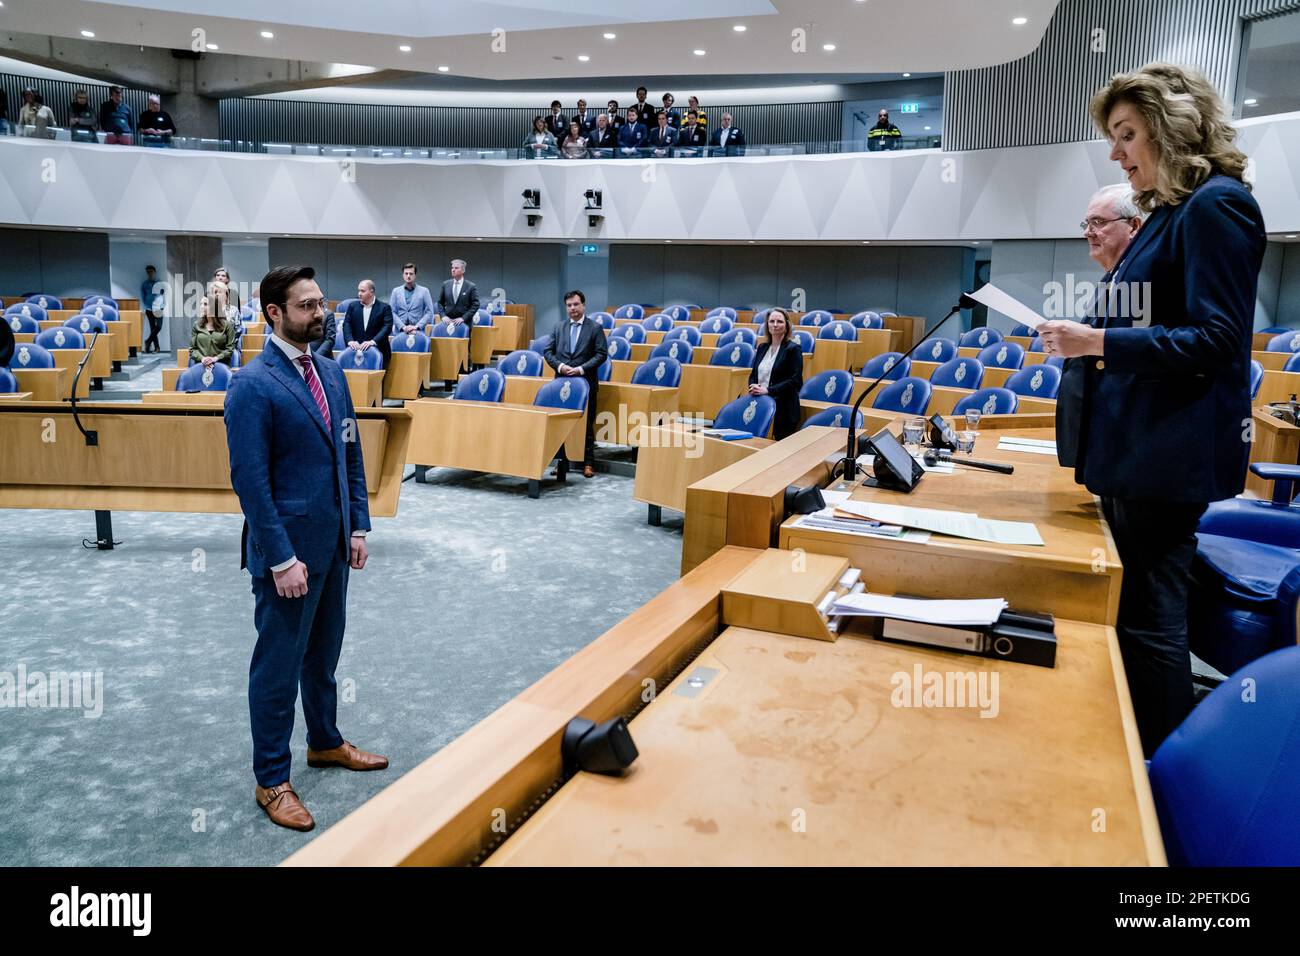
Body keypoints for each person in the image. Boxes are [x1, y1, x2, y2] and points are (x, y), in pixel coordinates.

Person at [1038, 62, 1267, 757]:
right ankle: (1137, 750)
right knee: (1137, 611)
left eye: (1127, 134)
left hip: (1167, 456)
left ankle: (1157, 767)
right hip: (1137, 451)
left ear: (1172, 128)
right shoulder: (1170, 212)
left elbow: (1218, 339)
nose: (1116, 152)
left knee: (1151, 619)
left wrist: (1097, 340)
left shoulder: (1217, 205)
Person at [224, 265, 386, 832]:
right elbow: (251, 482)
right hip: (287, 557)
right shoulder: (252, 383)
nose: (321, 313)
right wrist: (280, 559)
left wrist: (358, 527)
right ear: (275, 313)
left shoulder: (333, 374)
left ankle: (324, 741)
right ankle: (272, 779)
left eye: (321, 302)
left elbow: (351, 457)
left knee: (323, 659)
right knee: (278, 667)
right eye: (307, 306)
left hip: (334, 547)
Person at [1055, 184, 1145, 467]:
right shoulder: (1111, 277)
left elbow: (1137, 352)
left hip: (1120, 440)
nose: (1087, 231)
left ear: (1133, 226)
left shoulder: (1141, 281)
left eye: (1099, 222)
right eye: (1087, 222)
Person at [543, 290, 608, 478]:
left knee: (586, 424)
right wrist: (561, 366)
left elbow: (601, 354)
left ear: (583, 305)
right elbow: (548, 352)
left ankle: (588, 463)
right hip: (561, 382)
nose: (572, 308)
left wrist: (580, 369)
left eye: (576, 304)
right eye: (569, 305)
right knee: (560, 424)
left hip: (585, 382)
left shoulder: (595, 328)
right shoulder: (558, 327)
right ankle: (561, 463)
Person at [748, 308, 803, 439]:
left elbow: (796, 381)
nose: (775, 324)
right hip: (760, 403)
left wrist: (768, 390)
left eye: (780, 321)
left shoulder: (793, 349)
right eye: (771, 321)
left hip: (784, 409)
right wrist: (753, 386)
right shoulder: (762, 347)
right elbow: (753, 375)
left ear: (787, 325)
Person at [435, 259, 480, 371]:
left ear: (463, 270)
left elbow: (475, 304)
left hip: (463, 323)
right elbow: (440, 303)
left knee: (464, 349)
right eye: (452, 268)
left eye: (456, 268)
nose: (453, 270)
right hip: (447, 322)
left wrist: (464, 318)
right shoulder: (446, 284)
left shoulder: (470, 286)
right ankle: (448, 371)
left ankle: (463, 371)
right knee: (447, 349)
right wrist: (443, 315)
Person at [344, 280, 393, 369]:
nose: (359, 294)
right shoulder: (352, 306)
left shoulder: (384, 308)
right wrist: (350, 340)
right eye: (359, 290)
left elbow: (387, 327)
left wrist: (372, 342)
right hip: (356, 350)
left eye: (362, 291)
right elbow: (347, 324)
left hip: (379, 351)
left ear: (371, 292)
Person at [189, 293, 238, 367]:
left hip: (221, 365)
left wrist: (215, 358)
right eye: (201, 304)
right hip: (201, 364)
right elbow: (192, 349)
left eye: (205, 304)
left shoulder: (227, 325)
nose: (202, 307)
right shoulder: (196, 325)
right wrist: (202, 358)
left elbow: (230, 349)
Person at [391, 262, 435, 332]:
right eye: (406, 273)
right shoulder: (395, 291)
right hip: (400, 331)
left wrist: (417, 327)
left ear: (415, 275)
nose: (408, 276)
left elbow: (430, 312)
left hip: (418, 331)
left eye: (411, 274)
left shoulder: (424, 291)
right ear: (403, 275)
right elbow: (392, 312)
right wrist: (402, 327)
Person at [140, 265, 165, 353]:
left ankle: (148, 341)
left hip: (158, 308)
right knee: (152, 328)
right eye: (148, 272)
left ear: (155, 272)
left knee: (158, 326)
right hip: (149, 309)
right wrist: (147, 304)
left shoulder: (159, 283)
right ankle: (157, 347)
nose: (150, 274)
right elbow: (143, 296)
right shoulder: (145, 284)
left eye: (151, 272)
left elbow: (163, 295)